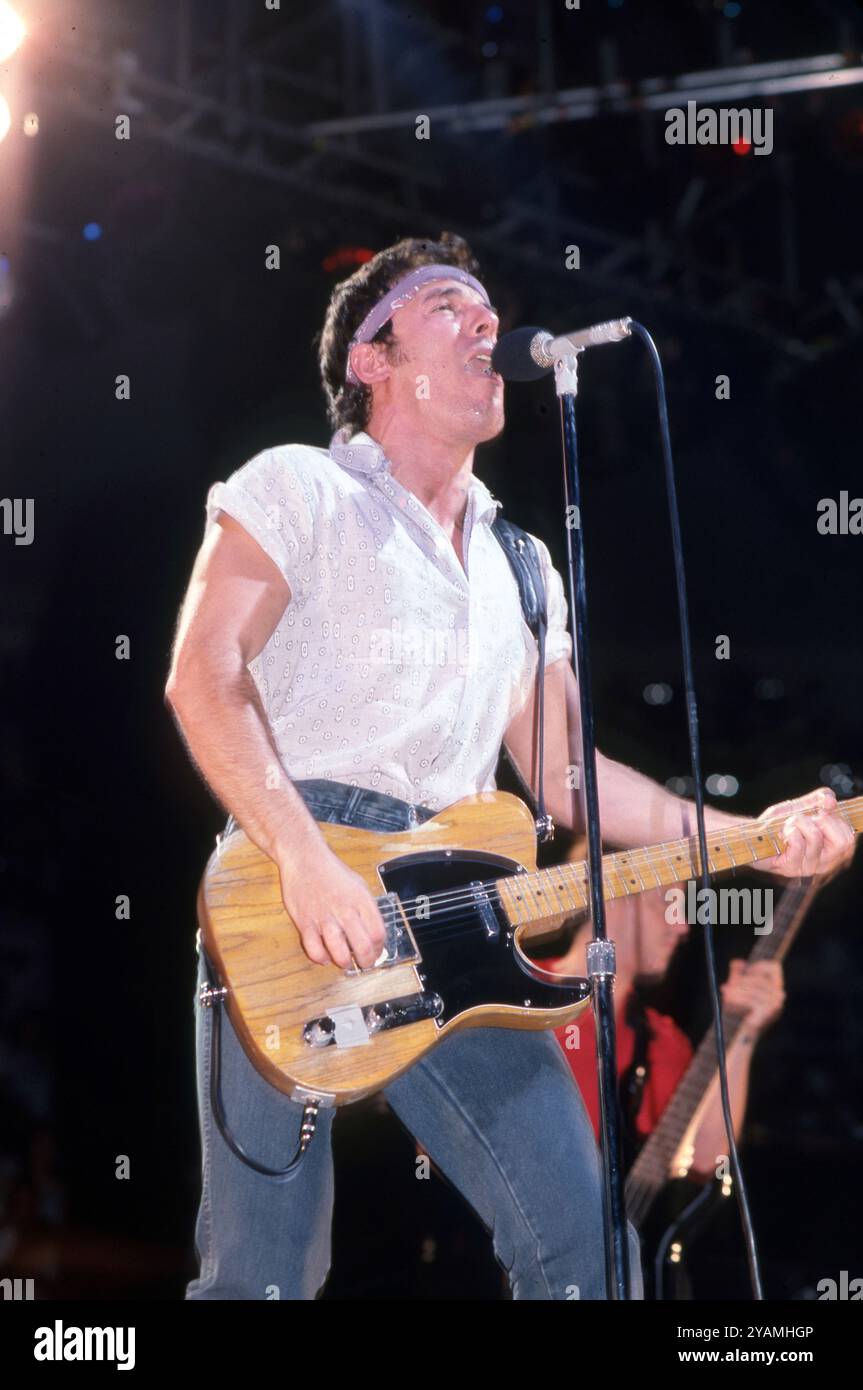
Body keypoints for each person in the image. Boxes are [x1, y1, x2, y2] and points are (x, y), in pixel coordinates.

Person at [164, 231, 855, 1300]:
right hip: (290, 878)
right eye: (448, 306)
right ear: (372, 359)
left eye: (489, 310)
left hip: (459, 909)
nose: (487, 323)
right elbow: (203, 677)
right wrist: (304, 857)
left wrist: (756, 835)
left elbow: (570, 781)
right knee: (265, 1274)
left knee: (588, 1246)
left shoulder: (523, 566)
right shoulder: (298, 487)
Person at [541, 886, 786, 1172]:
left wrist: (745, 1031)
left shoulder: (661, 1042)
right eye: (666, 902)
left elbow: (706, 1158)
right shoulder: (501, 998)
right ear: (610, 893)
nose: (683, 926)